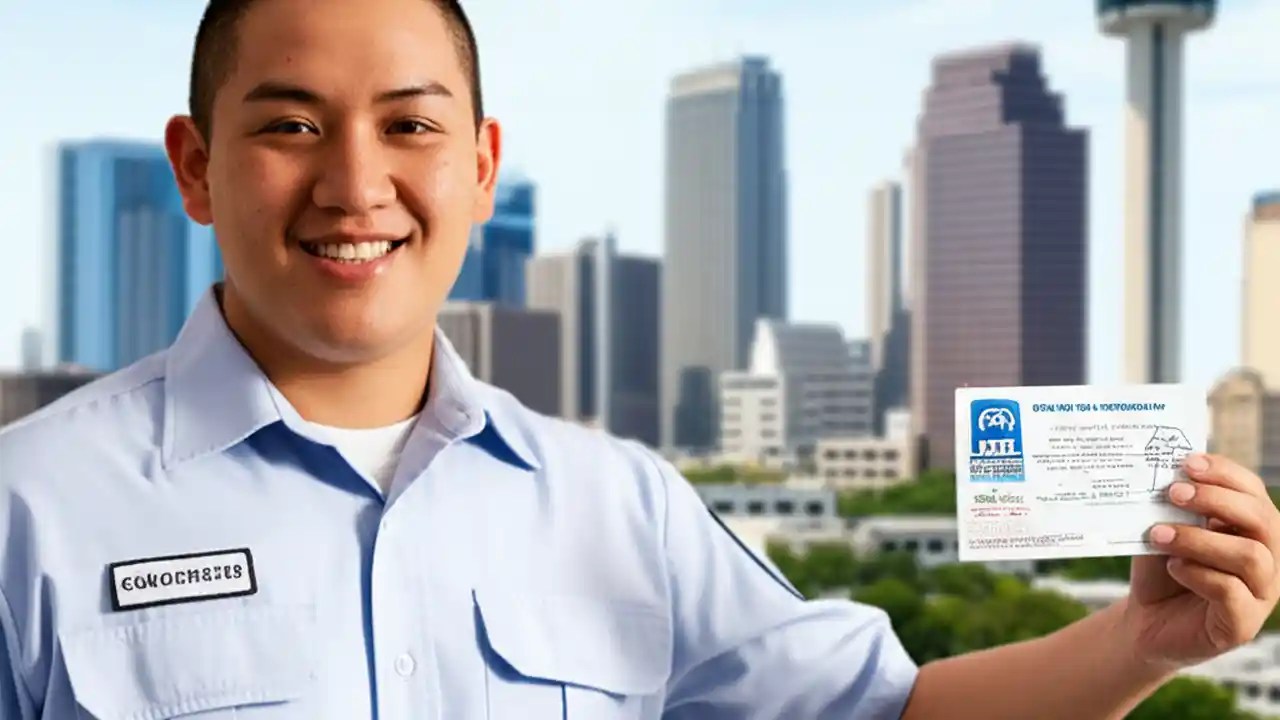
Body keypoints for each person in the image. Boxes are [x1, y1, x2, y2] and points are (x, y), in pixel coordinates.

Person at [1, 0, 1276, 717]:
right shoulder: (29, 510)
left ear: (481, 168)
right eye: (289, 124)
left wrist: (1136, 643)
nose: (354, 182)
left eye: (408, 126)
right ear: (195, 165)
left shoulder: (619, 507)